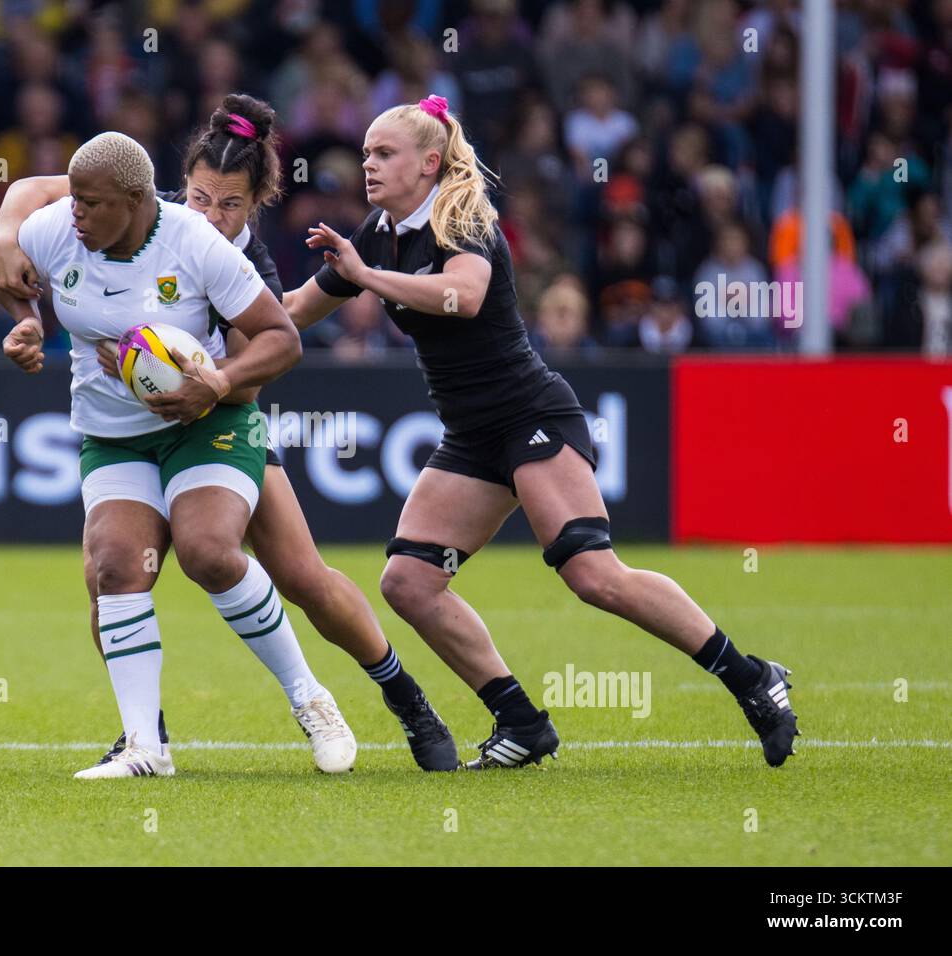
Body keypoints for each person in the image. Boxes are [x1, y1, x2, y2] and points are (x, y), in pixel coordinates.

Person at [284, 95, 801, 769]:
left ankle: (752, 677)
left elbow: (461, 295)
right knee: (408, 582)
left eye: (384, 154)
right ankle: (522, 723)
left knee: (593, 575)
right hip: (471, 436)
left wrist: (365, 276)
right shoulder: (380, 232)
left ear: (428, 162)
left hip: (530, 416)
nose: (369, 166)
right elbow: (291, 310)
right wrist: (206, 315)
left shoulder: (460, 218)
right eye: (366, 155)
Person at [0, 95, 459, 772]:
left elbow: (269, 352)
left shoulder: (222, 256)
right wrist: (9, 249)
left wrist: (200, 379)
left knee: (289, 573)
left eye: (230, 205)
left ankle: (396, 696)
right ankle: (144, 737)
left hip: (217, 416)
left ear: (254, 205)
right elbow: (36, 191)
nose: (212, 213)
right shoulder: (116, 201)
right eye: (202, 197)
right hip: (125, 430)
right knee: (113, 571)